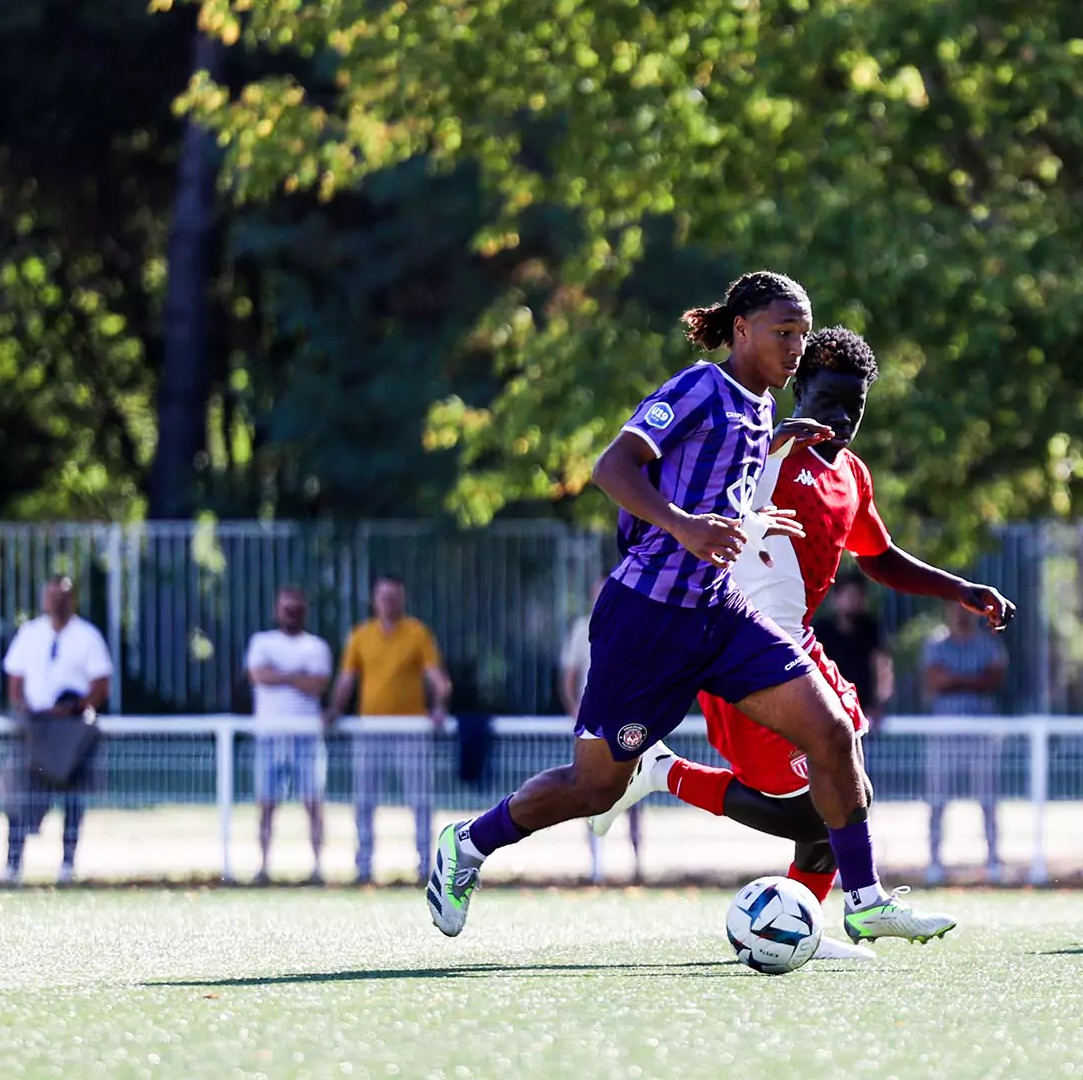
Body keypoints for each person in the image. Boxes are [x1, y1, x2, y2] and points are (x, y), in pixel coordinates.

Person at [424, 271, 955, 946]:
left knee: (831, 732)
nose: (796, 346)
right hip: (647, 617)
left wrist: (746, 521)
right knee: (594, 788)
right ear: (742, 330)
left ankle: (865, 899)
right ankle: (470, 842)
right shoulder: (699, 388)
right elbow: (613, 468)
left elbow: (719, 495)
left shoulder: (765, 412)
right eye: (783, 332)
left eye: (802, 333)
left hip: (718, 612)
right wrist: (685, 526)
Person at [586, 326, 1012, 946]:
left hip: (800, 648)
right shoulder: (762, 451)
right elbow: (682, 493)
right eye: (826, 399)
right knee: (814, 812)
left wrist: (959, 589)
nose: (839, 417)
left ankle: (805, 927)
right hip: (743, 647)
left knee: (845, 790)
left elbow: (878, 557)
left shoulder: (852, 474)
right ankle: (663, 772)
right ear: (798, 389)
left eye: (853, 406)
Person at [328, 576, 451, 885]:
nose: (389, 602)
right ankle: (363, 868)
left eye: (394, 596)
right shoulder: (361, 635)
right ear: (374, 600)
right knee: (364, 801)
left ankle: (424, 867)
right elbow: (347, 678)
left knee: (420, 799)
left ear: (403, 599)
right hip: (370, 729)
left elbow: (436, 677)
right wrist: (334, 710)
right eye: (384, 596)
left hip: (411, 730)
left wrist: (439, 706)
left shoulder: (417, 633)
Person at [0, 575, 113, 886]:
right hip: (35, 731)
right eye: (52, 596)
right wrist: (25, 707)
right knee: (19, 795)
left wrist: (74, 707)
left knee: (73, 799)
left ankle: (67, 864)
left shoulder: (88, 637)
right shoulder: (30, 634)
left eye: (63, 597)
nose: (57, 603)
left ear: (73, 600)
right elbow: (15, 679)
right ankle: (13, 864)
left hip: (71, 732)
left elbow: (101, 684)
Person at [246, 585, 333, 885]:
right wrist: (298, 675)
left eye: (296, 609)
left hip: (307, 737)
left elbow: (317, 684)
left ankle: (318, 867)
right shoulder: (261, 642)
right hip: (270, 736)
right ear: (277, 611)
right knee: (266, 805)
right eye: (287, 609)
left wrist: (279, 674)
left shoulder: (316, 647)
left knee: (314, 803)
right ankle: (263, 866)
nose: (291, 614)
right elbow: (259, 676)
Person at [559, 578, 644, 881]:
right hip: (593, 725)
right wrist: (575, 711)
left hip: (627, 723)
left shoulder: (635, 625)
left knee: (635, 792)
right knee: (590, 792)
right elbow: (569, 676)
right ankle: (596, 867)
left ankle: (637, 865)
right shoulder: (582, 629)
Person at [922, 603, 1010, 881]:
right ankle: (935, 862)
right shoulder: (936, 644)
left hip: (981, 734)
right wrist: (973, 679)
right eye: (955, 609)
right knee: (937, 799)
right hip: (944, 735)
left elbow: (993, 679)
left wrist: (955, 680)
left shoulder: (988, 644)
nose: (960, 614)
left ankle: (993, 861)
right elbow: (935, 679)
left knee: (988, 799)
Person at [815, 577, 893, 719]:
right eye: (849, 595)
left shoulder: (871, 629)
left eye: (859, 596)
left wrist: (879, 704)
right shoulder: (821, 630)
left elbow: (882, 666)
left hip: (865, 710)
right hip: (828, 706)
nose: (854, 601)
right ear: (836, 598)